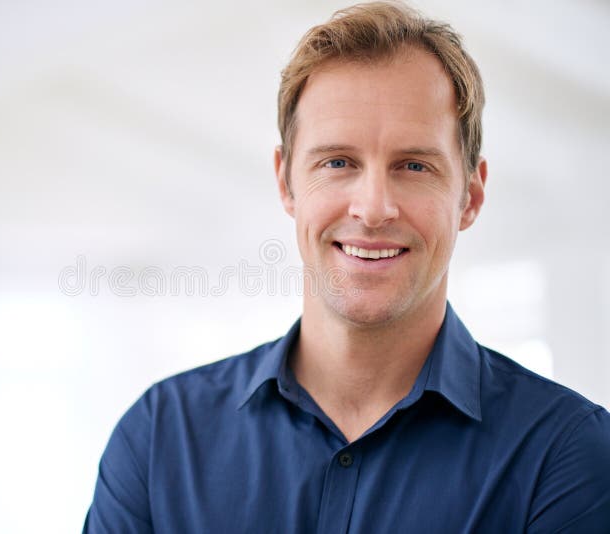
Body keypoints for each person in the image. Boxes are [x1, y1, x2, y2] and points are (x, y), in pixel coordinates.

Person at [83, 2, 610, 532]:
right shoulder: (158, 440)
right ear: (287, 181)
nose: (374, 207)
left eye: (414, 166)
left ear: (470, 197)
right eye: (338, 163)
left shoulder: (566, 453)